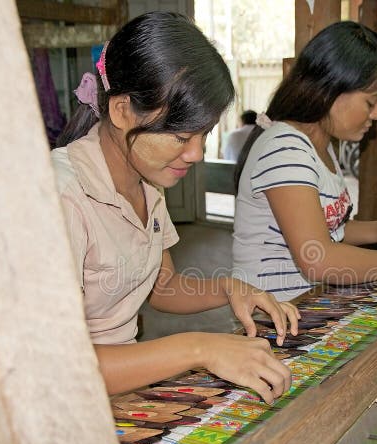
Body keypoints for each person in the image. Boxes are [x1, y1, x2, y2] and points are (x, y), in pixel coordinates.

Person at [52, 12, 298, 404]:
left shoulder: (147, 178)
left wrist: (228, 288)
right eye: (182, 136)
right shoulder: (59, 197)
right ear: (121, 111)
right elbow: (60, 367)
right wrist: (199, 349)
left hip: (120, 386)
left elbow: (162, 287)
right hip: (64, 405)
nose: (196, 153)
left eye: (204, 135)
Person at [232, 21, 377, 302]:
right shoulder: (285, 150)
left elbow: (327, 229)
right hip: (274, 317)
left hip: (307, 305)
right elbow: (318, 258)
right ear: (332, 89)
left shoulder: (320, 146)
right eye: (371, 102)